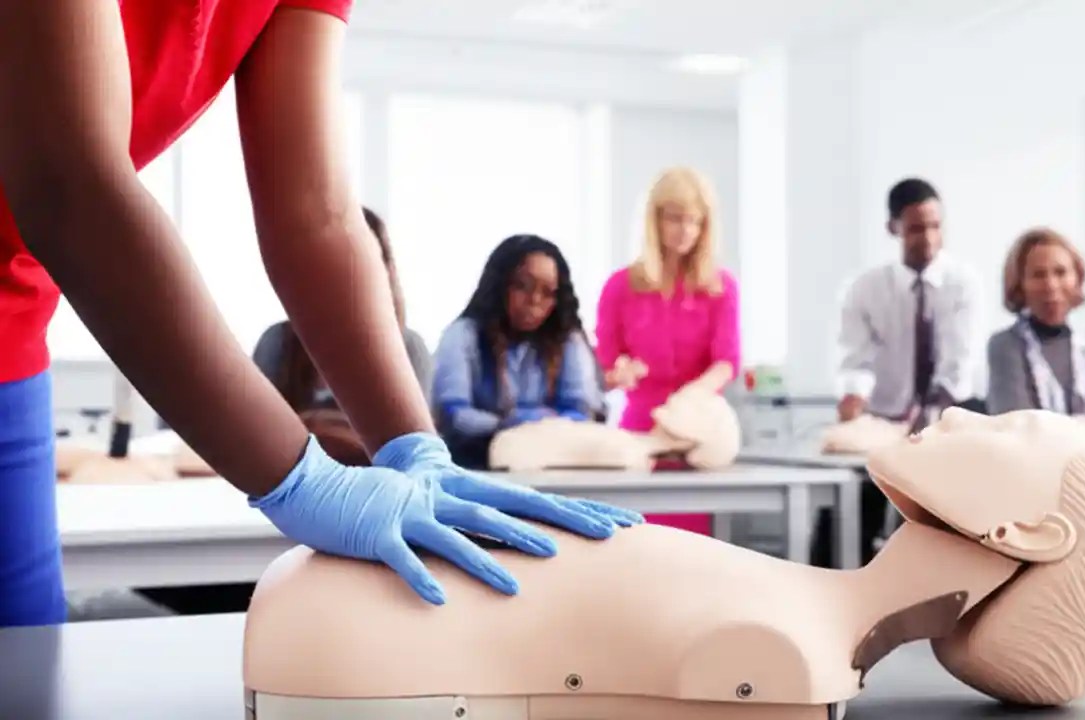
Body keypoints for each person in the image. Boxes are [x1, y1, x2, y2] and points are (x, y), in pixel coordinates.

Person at [0, 1, 639, 629]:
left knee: (25, 648)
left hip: (14, 330)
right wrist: (301, 481)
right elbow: (66, 183)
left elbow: (317, 214)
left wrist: (415, 449)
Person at [829, 177, 982, 563]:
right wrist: (854, 395)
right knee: (849, 515)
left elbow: (959, 361)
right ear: (893, 227)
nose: (928, 238)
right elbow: (855, 356)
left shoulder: (963, 283)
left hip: (948, 417)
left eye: (935, 226)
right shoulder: (866, 288)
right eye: (915, 228)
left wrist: (928, 419)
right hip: (884, 419)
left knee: (940, 517)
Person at [594, 167, 741, 536]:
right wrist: (619, 374)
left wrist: (688, 400)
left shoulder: (721, 287)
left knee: (691, 545)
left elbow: (726, 362)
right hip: (640, 433)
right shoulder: (620, 287)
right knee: (637, 538)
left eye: (695, 221)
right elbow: (602, 367)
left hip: (695, 432)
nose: (685, 230)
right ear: (655, 220)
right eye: (675, 218)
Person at [252, 206, 433, 466]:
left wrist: (309, 426)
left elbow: (412, 451)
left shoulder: (408, 346)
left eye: (357, 260)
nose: (344, 274)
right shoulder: (278, 342)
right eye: (328, 260)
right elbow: (257, 437)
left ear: (383, 270)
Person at [431, 234, 602, 470]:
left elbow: (583, 411)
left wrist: (542, 425)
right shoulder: (462, 335)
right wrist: (511, 424)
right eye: (523, 286)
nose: (535, 300)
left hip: (554, 465)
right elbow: (451, 415)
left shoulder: (567, 339)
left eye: (548, 292)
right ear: (499, 286)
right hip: (476, 463)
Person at [985, 227, 1085, 421]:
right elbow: (1014, 422)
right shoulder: (1006, 347)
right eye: (1038, 275)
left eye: (1060, 272)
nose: (1051, 285)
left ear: (1077, 280)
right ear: (1019, 284)